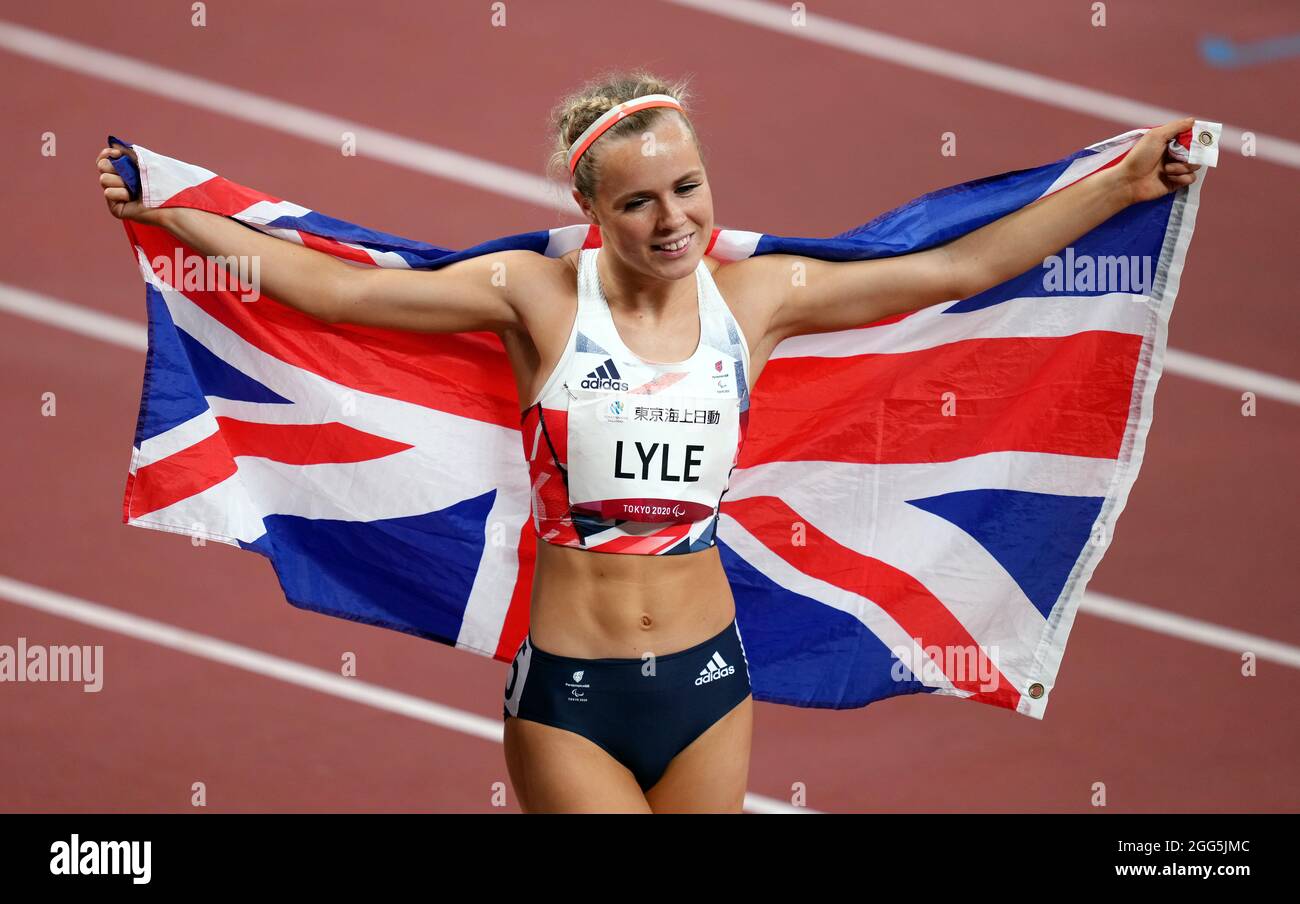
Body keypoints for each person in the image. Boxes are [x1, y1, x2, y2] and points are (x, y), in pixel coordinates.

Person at [96, 70, 1201, 814]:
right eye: (637, 202)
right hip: (572, 689)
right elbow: (328, 292)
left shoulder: (759, 298)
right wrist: (167, 213)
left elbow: (955, 271)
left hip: (713, 681)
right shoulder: (529, 294)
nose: (672, 218)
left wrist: (1122, 184)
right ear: (588, 206)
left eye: (687, 186)